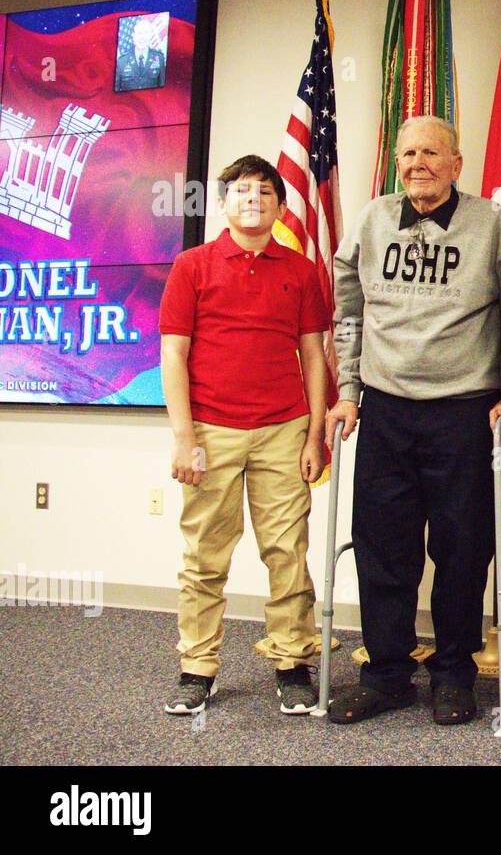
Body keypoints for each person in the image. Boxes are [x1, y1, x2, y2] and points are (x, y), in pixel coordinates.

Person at [325, 116, 501, 726]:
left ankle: (455, 674)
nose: (417, 163)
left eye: (431, 152)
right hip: (385, 411)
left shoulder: (492, 227)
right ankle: (386, 674)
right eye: (407, 154)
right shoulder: (373, 220)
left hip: (464, 414)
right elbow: (347, 310)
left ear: (457, 164)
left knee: (462, 551)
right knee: (383, 549)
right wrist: (349, 388)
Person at [158, 155, 329, 716]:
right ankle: (197, 668)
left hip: (283, 429)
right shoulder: (192, 265)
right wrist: (184, 438)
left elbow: (311, 354)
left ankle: (292, 663)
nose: (252, 199)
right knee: (205, 555)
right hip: (210, 429)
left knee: (287, 551)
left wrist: (313, 432)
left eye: (264, 192)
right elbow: (173, 353)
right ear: (224, 202)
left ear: (280, 207)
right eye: (241, 191)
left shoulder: (303, 271)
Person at [115, 18, 166, 91]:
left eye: (146, 33)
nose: (142, 37)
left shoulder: (159, 58)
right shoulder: (121, 61)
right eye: (139, 33)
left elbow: (163, 89)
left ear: (150, 36)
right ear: (133, 36)